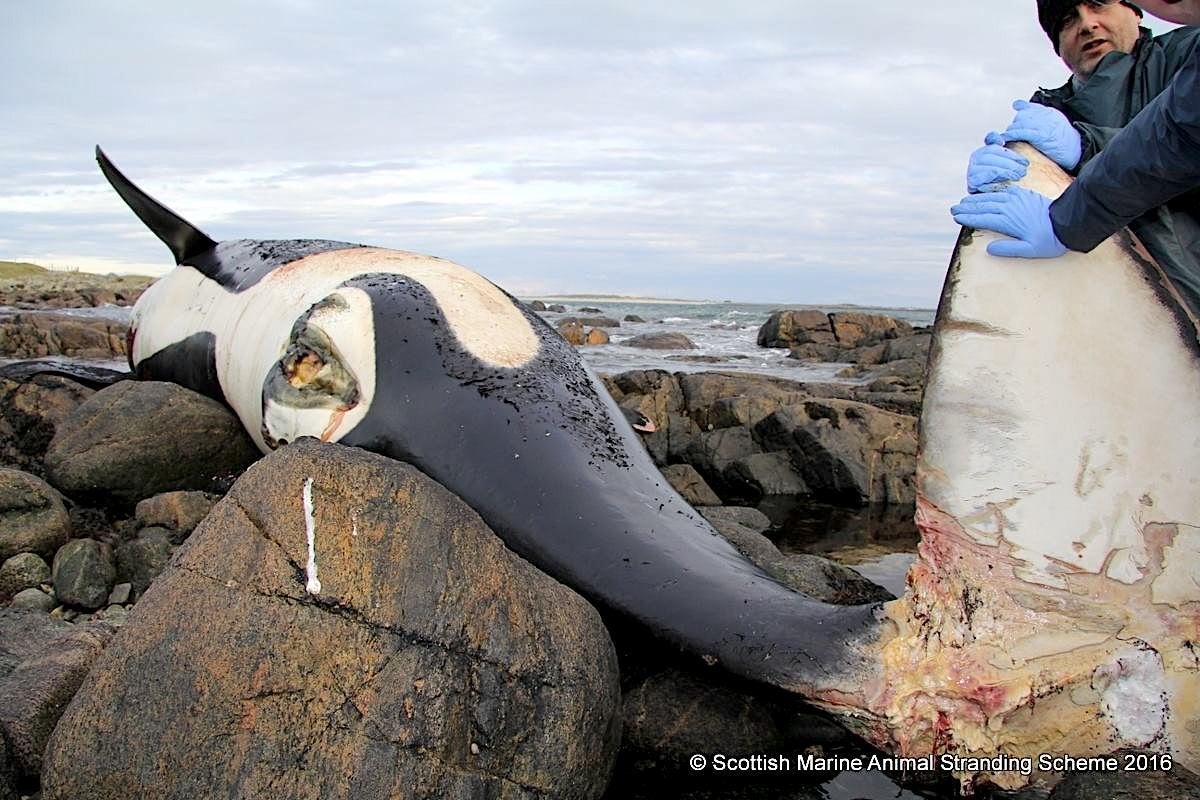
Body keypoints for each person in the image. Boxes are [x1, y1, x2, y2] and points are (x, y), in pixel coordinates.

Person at [949, 1, 1200, 316]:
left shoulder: (1189, 50)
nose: (1087, 24)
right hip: (1104, 321)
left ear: (1136, 11)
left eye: (1099, 5)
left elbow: (1183, 141)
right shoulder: (1044, 112)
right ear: (1057, 46)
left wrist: (1087, 146)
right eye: (1067, 20)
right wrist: (1006, 177)